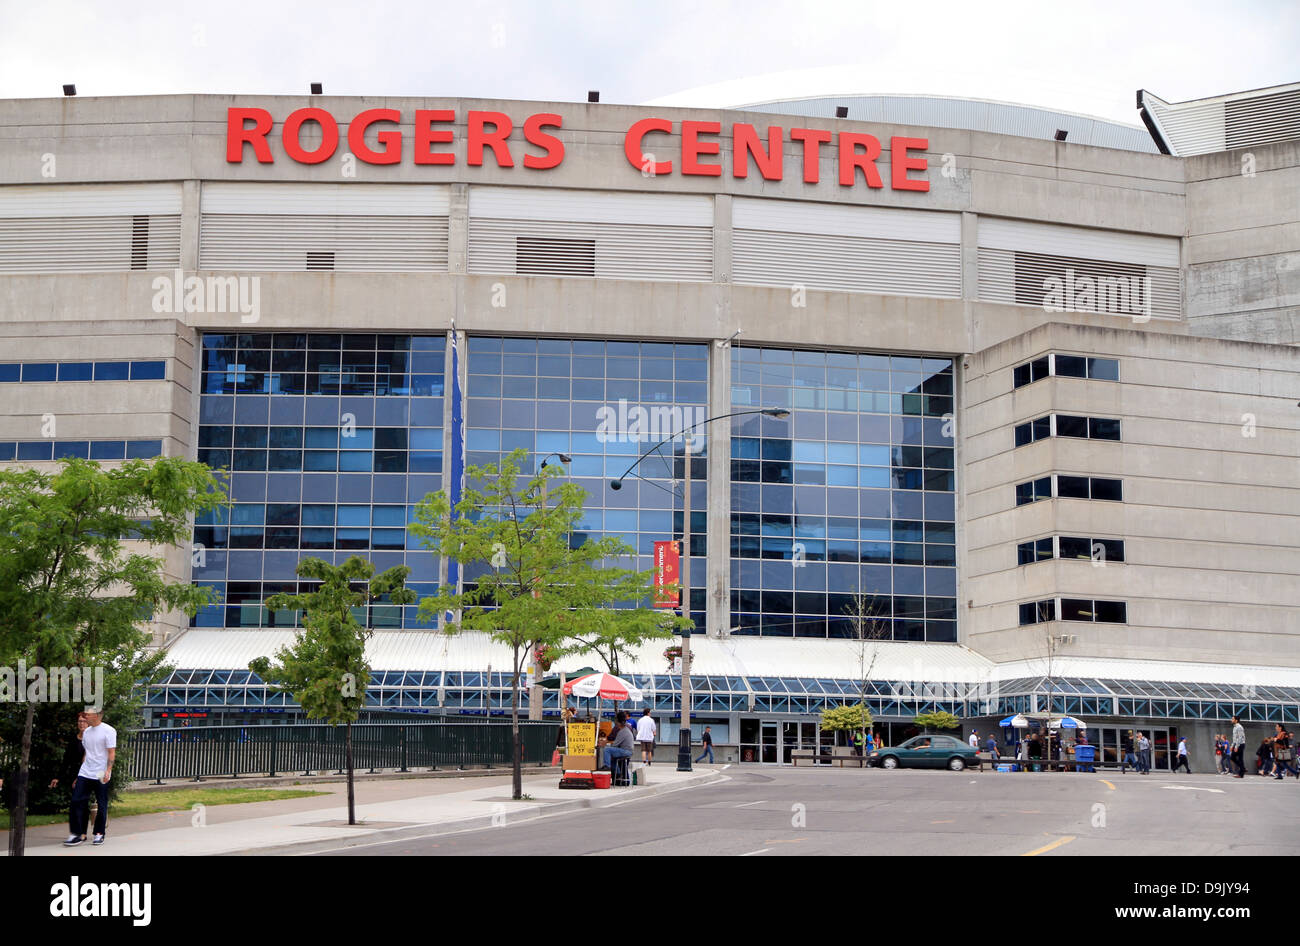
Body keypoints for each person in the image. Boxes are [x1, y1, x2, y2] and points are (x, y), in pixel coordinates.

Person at [65, 706, 116, 847]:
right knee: (76, 801)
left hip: (101, 772)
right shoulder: (87, 732)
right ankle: (77, 834)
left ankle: (99, 833)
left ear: (98, 715)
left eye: (88, 714)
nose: (85, 716)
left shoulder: (109, 731)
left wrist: (108, 770)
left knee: (101, 803)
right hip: (86, 771)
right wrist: (79, 774)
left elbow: (111, 752)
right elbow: (87, 753)